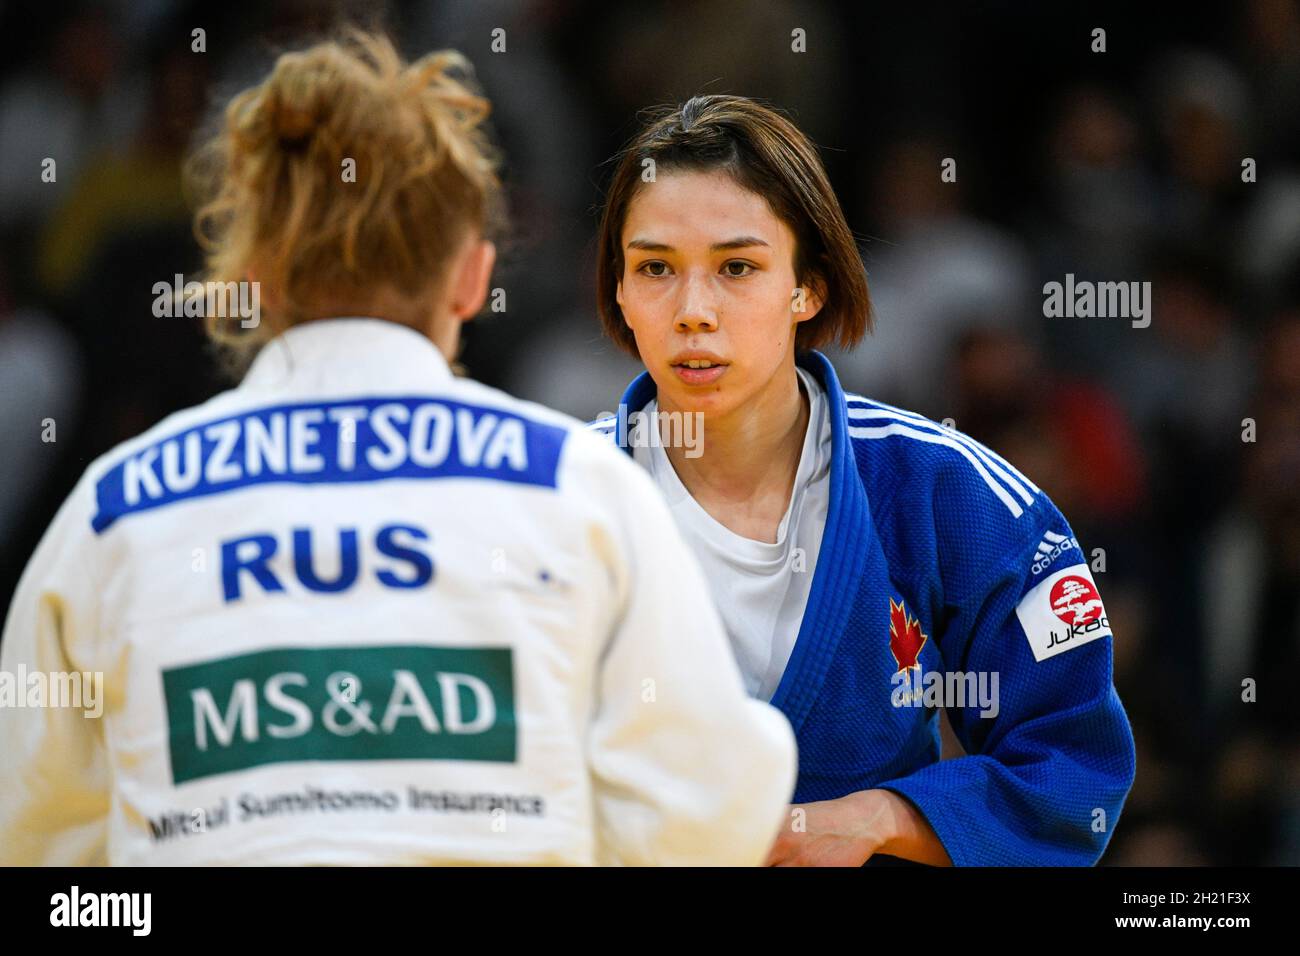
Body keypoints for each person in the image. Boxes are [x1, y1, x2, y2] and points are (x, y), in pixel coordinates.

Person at [0, 35, 796, 866]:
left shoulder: (117, 507)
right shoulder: (582, 488)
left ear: (251, 274)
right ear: (470, 276)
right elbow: (706, 811)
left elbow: (38, 839)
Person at [589, 94, 1136, 866]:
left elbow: (1076, 767)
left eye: (737, 267)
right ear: (618, 288)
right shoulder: (552, 502)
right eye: (654, 268)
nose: (693, 311)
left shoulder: (947, 492)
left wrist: (888, 817)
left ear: (806, 287)